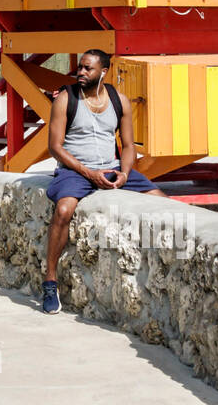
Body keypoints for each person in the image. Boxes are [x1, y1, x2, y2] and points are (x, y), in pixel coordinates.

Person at [40, 48, 167, 314]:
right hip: (75, 170)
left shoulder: (119, 100)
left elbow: (130, 145)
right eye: (80, 68)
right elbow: (55, 147)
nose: (82, 73)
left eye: (88, 69)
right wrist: (88, 173)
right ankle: (50, 281)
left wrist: (124, 171)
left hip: (111, 169)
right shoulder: (65, 99)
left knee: (164, 203)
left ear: (104, 72)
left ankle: (164, 278)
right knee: (64, 210)